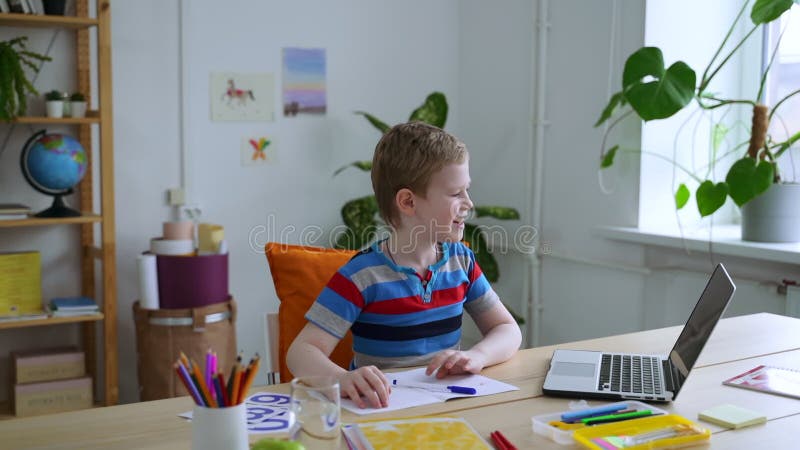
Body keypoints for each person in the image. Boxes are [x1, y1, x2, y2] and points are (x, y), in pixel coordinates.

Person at [286, 121, 522, 409]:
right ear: (408, 202)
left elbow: (507, 329)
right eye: (456, 193)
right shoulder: (362, 276)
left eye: (467, 190)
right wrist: (343, 379)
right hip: (383, 414)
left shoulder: (462, 262)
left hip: (449, 408)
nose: (469, 203)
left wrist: (478, 356)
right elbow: (301, 352)